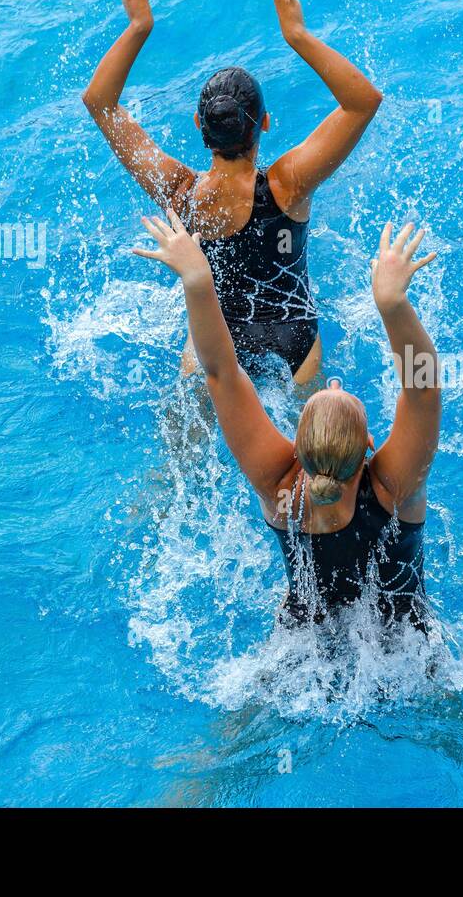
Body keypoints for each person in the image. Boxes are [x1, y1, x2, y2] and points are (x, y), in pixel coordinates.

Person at [132, 209, 440, 633]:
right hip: (405, 639)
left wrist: (198, 280)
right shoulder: (395, 490)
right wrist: (392, 304)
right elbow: (423, 387)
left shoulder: (282, 491)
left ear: (296, 447)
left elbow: (221, 371)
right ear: (371, 443)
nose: (331, 380)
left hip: (302, 646)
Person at [83, 0, 383, 383]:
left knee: (185, 446)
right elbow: (363, 102)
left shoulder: (177, 191)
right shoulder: (288, 185)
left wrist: (138, 26)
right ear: (263, 123)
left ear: (198, 126)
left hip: (215, 343)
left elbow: (100, 104)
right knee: (317, 447)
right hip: (293, 337)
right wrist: (296, 33)